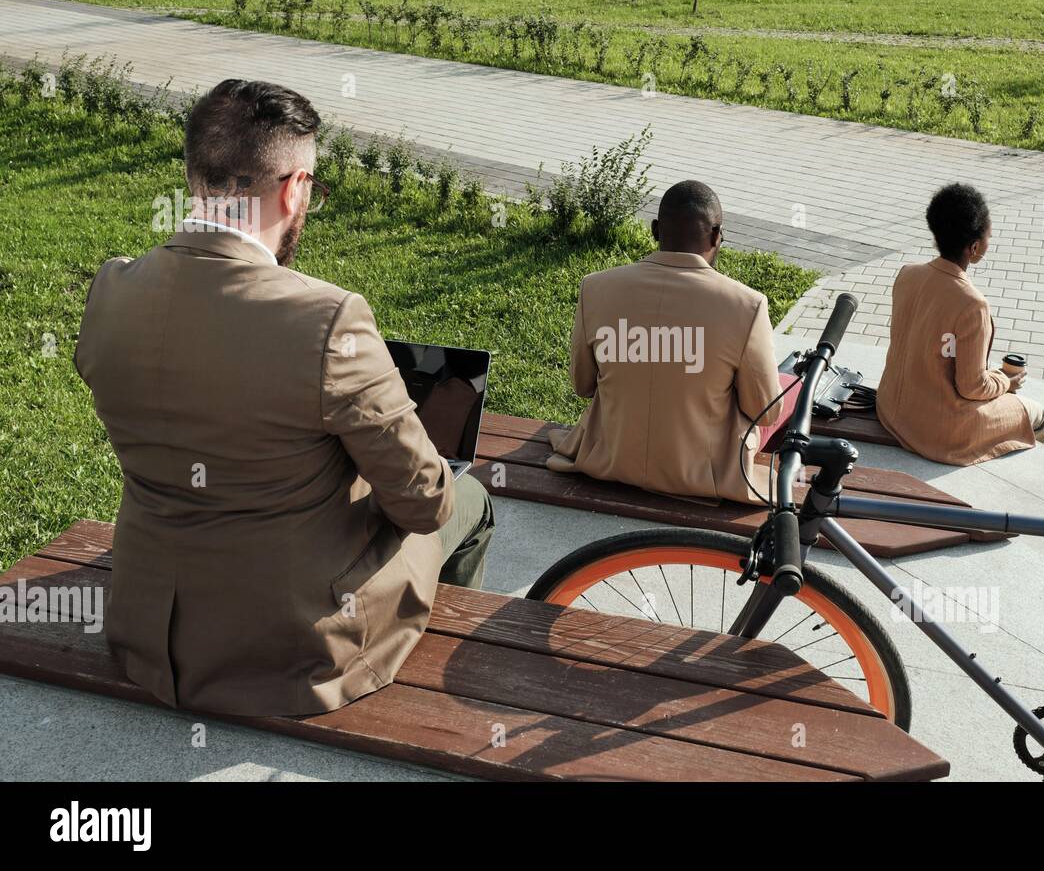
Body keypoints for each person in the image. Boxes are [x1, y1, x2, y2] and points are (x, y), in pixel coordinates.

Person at [74, 79, 494, 717]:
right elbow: (423, 503)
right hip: (290, 653)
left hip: (148, 628)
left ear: (194, 174)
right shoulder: (327, 319)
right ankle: (456, 693)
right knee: (471, 500)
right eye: (313, 191)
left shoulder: (112, 288)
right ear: (295, 187)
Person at [547, 180, 785, 504]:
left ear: (655, 230)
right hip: (706, 477)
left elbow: (583, 385)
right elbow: (764, 413)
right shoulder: (747, 305)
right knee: (791, 392)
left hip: (610, 460)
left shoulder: (596, 287)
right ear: (716, 236)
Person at [875, 183, 1044, 466]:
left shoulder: (907, 274)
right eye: (989, 236)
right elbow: (971, 387)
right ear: (975, 247)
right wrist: (1005, 381)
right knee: (1037, 413)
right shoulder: (973, 305)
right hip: (938, 432)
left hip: (892, 408)